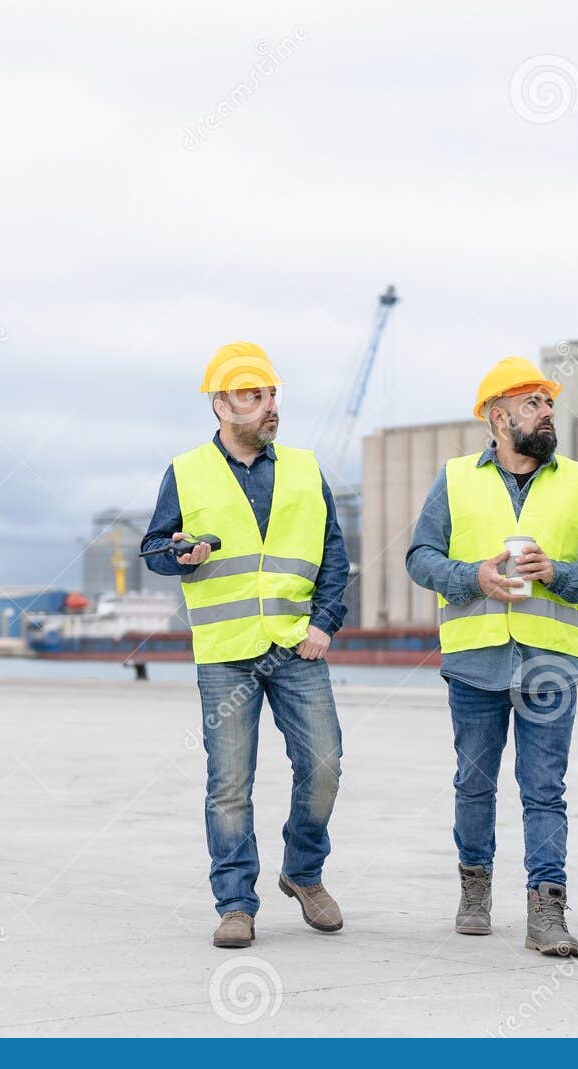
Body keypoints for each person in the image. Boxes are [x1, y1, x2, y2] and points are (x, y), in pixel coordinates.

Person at [406, 357, 578, 956]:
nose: (547, 412)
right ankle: (475, 891)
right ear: (500, 418)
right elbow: (420, 556)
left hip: (551, 659)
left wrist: (558, 573)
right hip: (475, 658)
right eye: (534, 404)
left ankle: (546, 912)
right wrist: (472, 576)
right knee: (474, 785)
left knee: (543, 786)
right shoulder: (454, 478)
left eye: (548, 403)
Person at [141, 341, 349, 949]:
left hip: (296, 646)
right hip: (226, 650)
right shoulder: (185, 471)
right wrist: (183, 553)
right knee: (230, 783)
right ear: (221, 406)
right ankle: (236, 904)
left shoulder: (306, 468)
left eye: (272, 394)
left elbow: (334, 552)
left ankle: (303, 872)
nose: (269, 407)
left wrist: (325, 622)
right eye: (254, 397)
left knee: (325, 766)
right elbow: (155, 549)